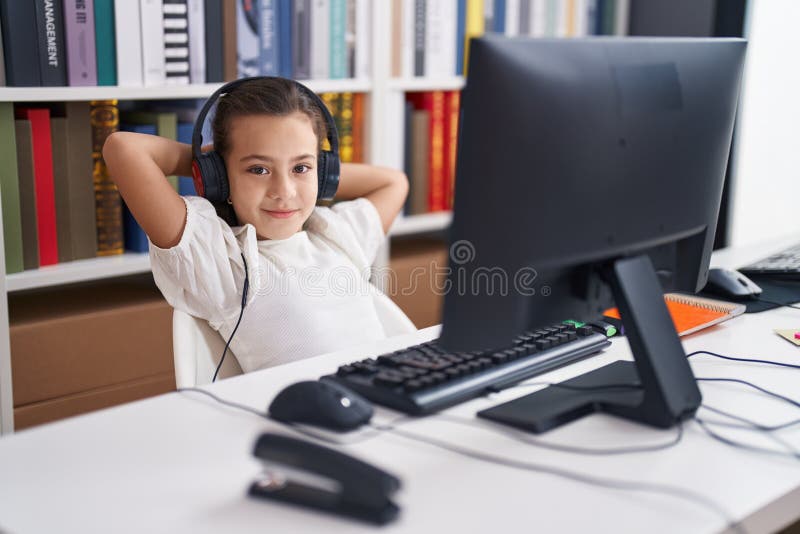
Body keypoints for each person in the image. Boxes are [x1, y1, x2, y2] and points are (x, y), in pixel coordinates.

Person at [103, 77, 416, 374]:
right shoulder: (220, 261)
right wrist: (207, 165)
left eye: (300, 167)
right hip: (323, 417)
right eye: (258, 169)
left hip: (394, 395)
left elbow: (394, 183)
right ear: (221, 176)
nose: (284, 191)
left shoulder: (334, 234)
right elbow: (123, 149)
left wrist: (312, 169)